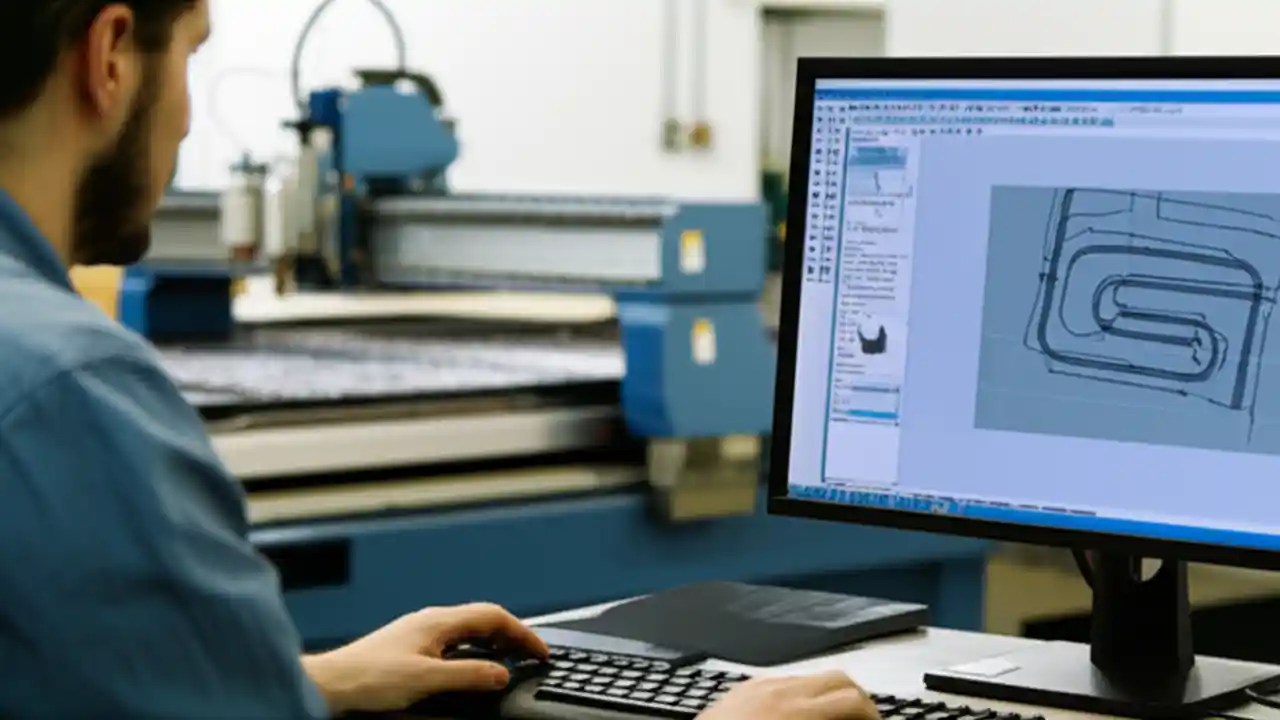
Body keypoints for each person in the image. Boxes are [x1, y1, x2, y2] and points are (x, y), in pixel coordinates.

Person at [0, 1, 880, 718]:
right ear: (111, 55)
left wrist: (306, 680)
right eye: (191, 55)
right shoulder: (70, 394)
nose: (188, 118)